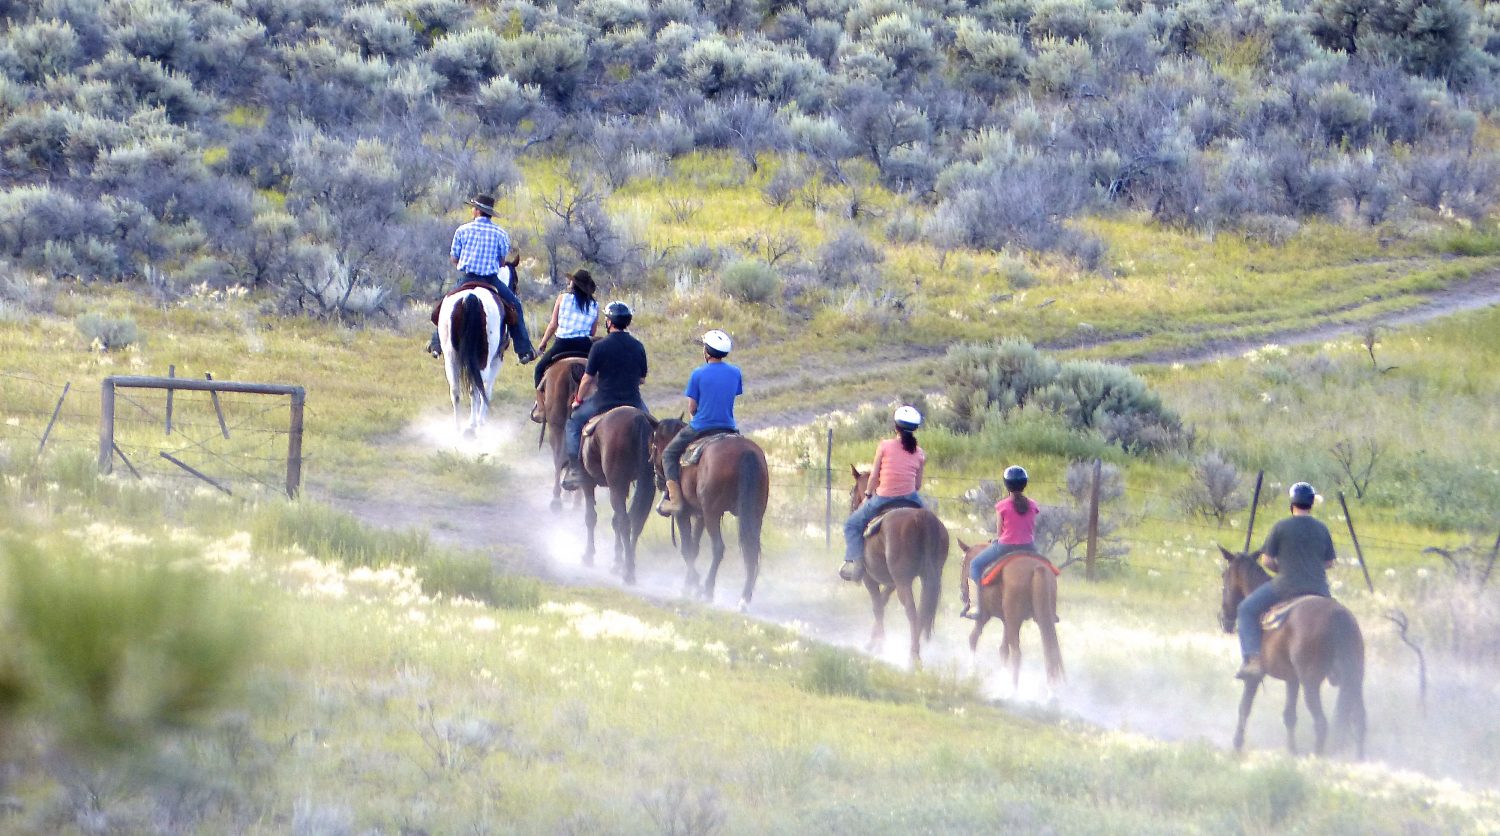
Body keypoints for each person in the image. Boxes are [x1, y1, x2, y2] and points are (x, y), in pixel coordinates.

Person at [1235, 481, 1337, 680]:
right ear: (1311, 504)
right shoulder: (1322, 528)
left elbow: (1266, 560)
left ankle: (1253, 661)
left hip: (1285, 586)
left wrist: (1282, 569)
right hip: (1319, 589)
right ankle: (1335, 664)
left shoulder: (1281, 527)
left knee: (1245, 609)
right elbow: (1330, 562)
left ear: (1292, 504)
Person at [427, 194, 536, 364]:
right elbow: (501, 262)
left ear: (477, 211)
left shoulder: (462, 230)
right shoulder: (501, 233)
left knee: (445, 305)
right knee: (515, 306)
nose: (472, 210)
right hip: (490, 280)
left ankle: (436, 343)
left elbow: (454, 258)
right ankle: (523, 350)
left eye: (473, 207)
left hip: (467, 278)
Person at [560, 301, 649, 491]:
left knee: (573, 423)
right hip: (633, 402)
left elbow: (586, 379)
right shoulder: (638, 346)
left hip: (603, 402)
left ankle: (575, 469)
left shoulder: (599, 347)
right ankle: (658, 472)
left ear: (609, 322)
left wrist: (578, 400)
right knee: (653, 430)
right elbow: (642, 379)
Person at [657, 329, 742, 516]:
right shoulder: (736, 373)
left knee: (669, 454)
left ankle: (675, 500)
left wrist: (698, 412)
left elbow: (692, 408)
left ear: (706, 351)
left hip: (701, 426)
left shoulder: (698, 374)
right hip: (729, 427)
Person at [840, 406, 927, 582]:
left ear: (896, 427)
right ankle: (931, 559)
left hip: (884, 497)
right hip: (911, 497)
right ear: (915, 429)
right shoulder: (920, 453)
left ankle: (855, 563)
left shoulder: (885, 446)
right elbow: (917, 485)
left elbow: (873, 477)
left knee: (852, 524)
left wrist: (868, 494)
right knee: (932, 522)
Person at [961, 465, 1039, 619]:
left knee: (975, 565)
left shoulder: (1002, 506)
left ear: (1006, 484)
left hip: (1006, 546)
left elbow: (999, 533)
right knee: (1045, 570)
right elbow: (1031, 527)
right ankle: (1047, 609)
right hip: (1029, 547)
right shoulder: (1033, 505)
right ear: (1025, 484)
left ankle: (976, 606)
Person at [530, 269, 599, 422]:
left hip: (562, 344)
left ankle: (541, 406)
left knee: (539, 369)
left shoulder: (562, 299)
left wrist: (543, 343)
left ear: (574, 285)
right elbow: (593, 331)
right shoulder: (594, 305)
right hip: (584, 346)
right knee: (598, 372)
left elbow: (553, 324)